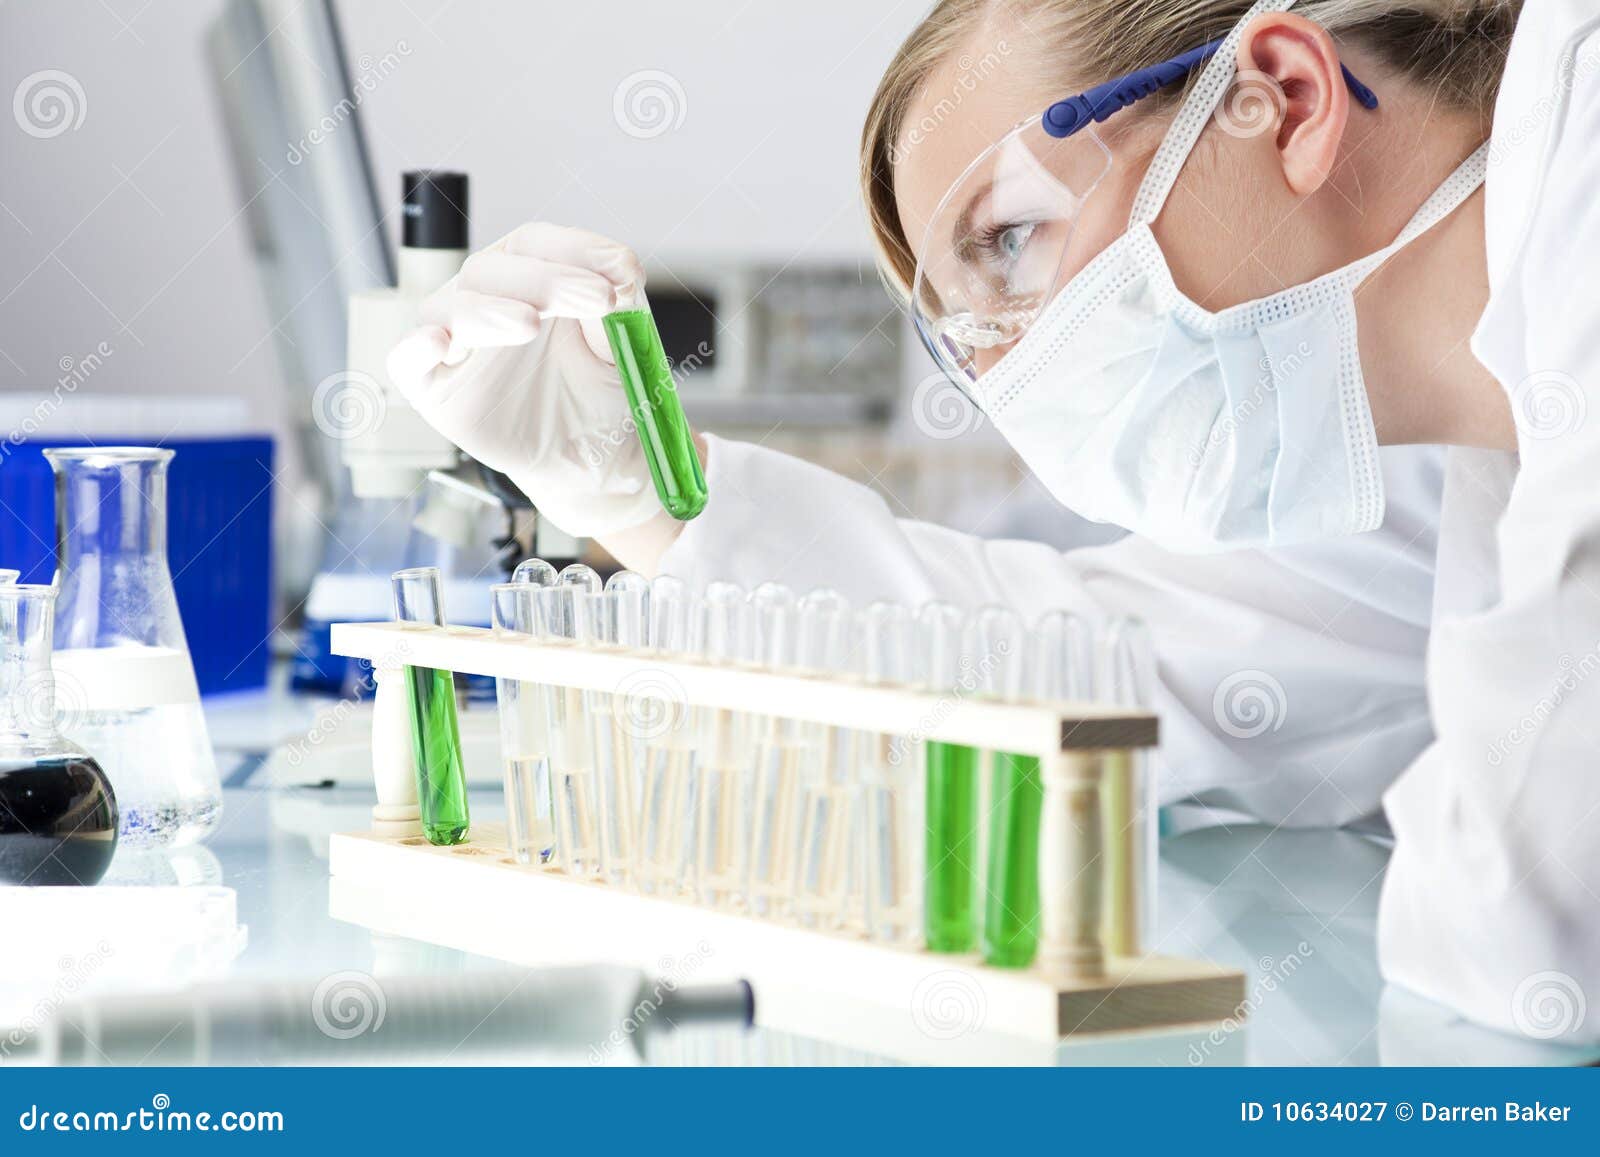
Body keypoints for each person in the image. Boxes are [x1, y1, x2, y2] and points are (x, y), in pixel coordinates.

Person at [388, 0, 1600, 1044]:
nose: (1011, 368)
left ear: (1280, 100)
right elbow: (1105, 677)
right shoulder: (1465, 451)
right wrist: (641, 490)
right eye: (965, 322)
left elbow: (1535, 939)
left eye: (1009, 239)